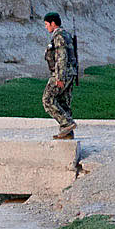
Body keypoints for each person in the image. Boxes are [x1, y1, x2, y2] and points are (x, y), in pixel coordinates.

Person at [42, 11, 80, 140]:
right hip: (70, 73)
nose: (46, 27)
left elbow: (61, 58)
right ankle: (67, 133)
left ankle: (66, 123)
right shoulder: (66, 35)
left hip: (62, 74)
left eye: (47, 24)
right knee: (63, 102)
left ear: (53, 23)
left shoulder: (59, 36)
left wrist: (59, 78)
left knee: (47, 100)